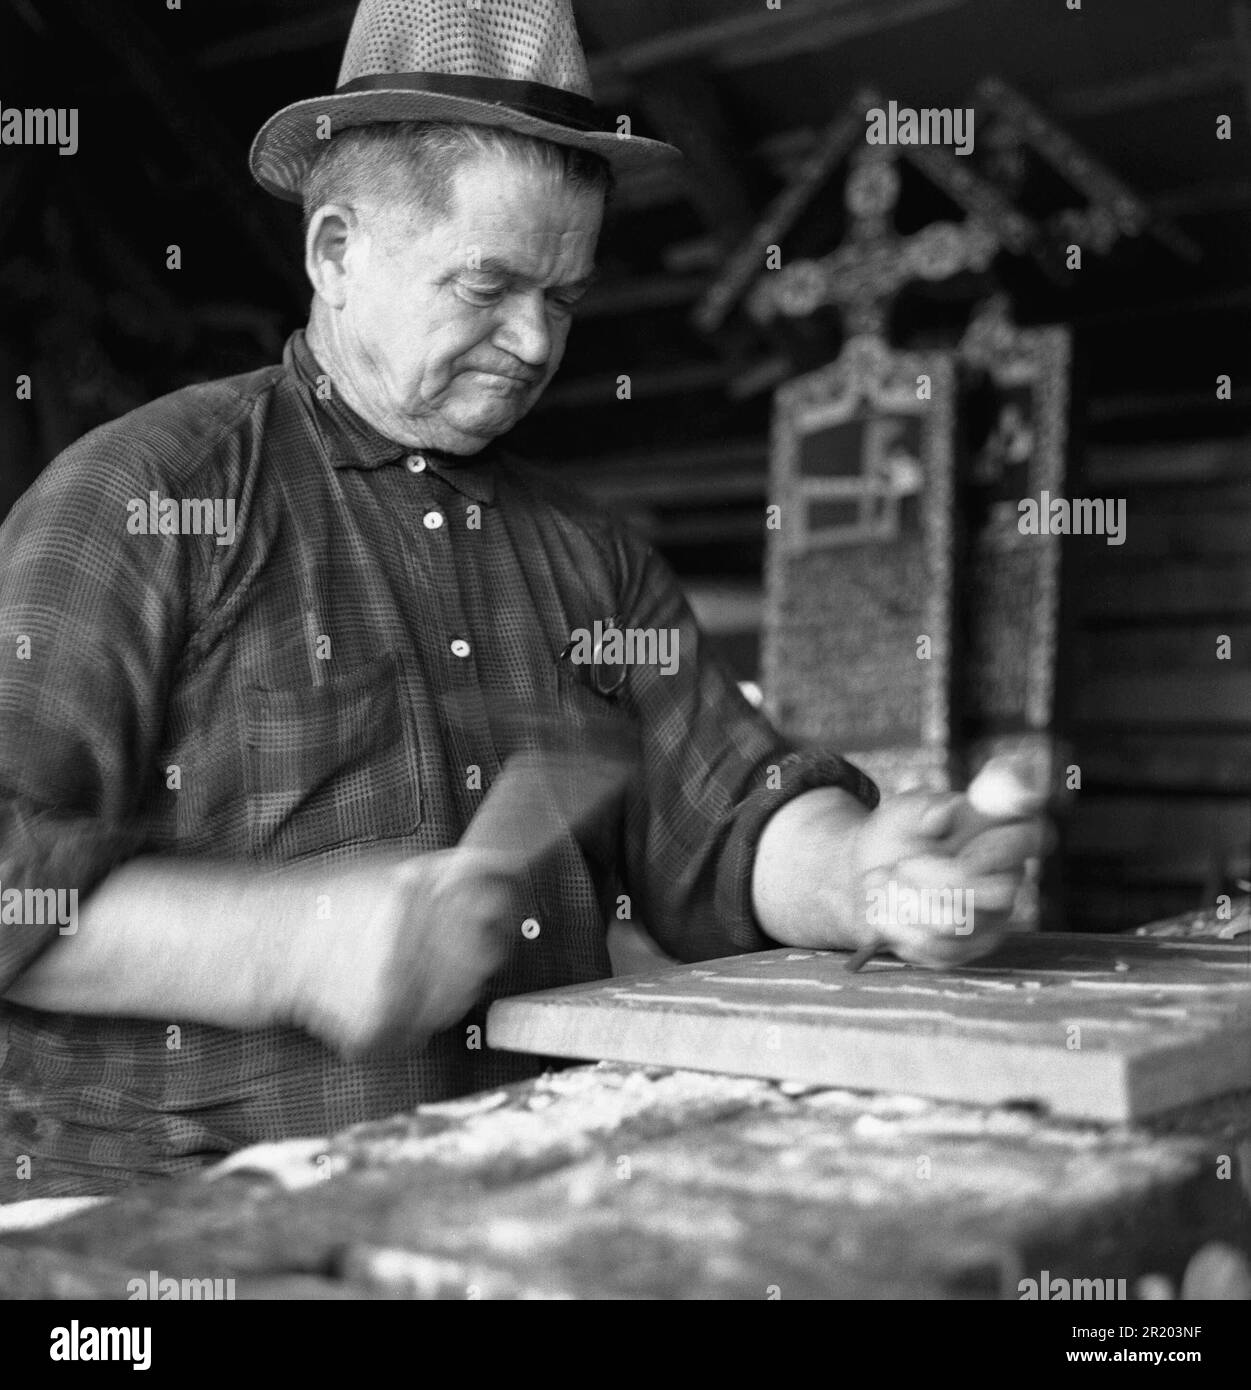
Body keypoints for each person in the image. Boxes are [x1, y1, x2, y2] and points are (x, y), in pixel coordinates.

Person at [0, 0, 1045, 1196]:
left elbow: (723, 824)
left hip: (515, 1213)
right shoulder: (145, 499)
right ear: (334, 252)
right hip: (166, 1239)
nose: (534, 340)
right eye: (489, 285)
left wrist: (866, 873)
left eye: (565, 296)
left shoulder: (594, 559)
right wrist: (286, 946)